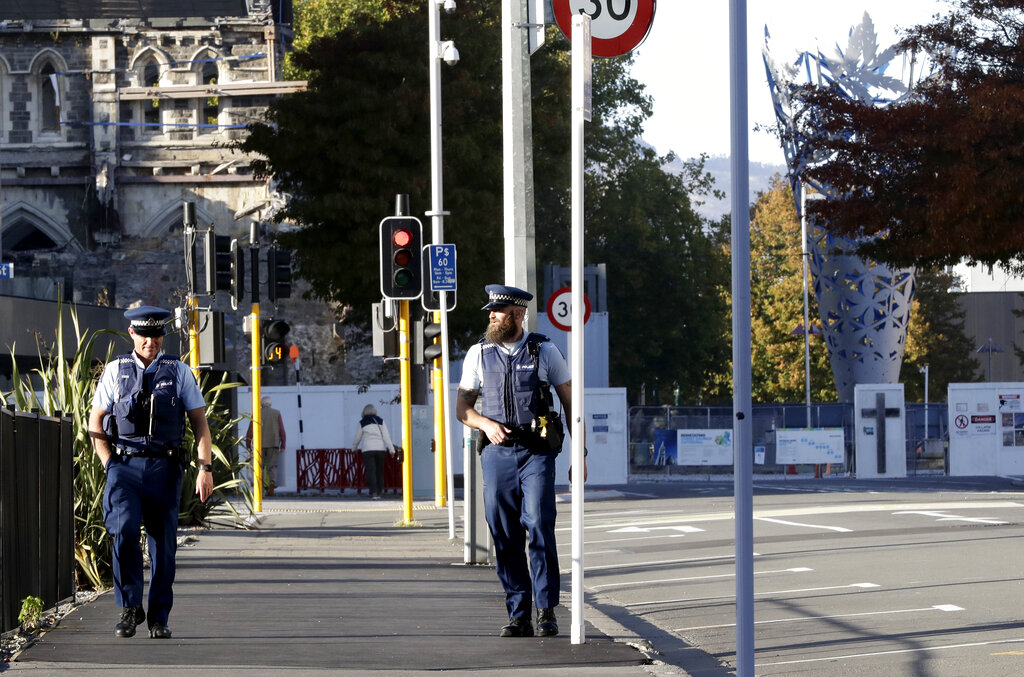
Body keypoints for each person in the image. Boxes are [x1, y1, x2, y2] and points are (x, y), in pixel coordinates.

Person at [455, 284, 580, 639]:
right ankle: (519, 615)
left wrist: (580, 454)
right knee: (504, 533)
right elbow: (462, 408)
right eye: (492, 312)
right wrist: (485, 424)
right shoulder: (478, 353)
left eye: (499, 312)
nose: (492, 317)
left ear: (518, 314)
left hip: (537, 452)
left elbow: (571, 404)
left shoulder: (544, 350)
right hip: (497, 454)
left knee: (539, 524)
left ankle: (546, 611)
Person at [88, 305, 214, 640]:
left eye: (156, 335)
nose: (151, 341)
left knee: (164, 546)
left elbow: (200, 423)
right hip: (124, 468)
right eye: (144, 335)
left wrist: (205, 468)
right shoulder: (115, 371)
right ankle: (130, 609)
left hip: (164, 468)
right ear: (132, 333)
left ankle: (159, 617)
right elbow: (95, 421)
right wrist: (109, 463)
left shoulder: (179, 371)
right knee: (123, 532)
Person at [352, 404, 396, 500]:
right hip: (380, 449)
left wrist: (354, 448)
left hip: (368, 450)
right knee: (379, 471)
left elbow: (357, 437)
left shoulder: (362, 422)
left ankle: (373, 492)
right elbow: (386, 436)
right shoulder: (380, 421)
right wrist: (391, 449)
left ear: (364, 411)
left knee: (371, 471)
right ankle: (380, 491)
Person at [245, 396, 287, 496]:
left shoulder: (256, 413)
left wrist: (248, 444)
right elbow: (282, 430)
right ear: (270, 404)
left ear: (261, 404)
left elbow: (250, 431)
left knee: (260, 467)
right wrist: (283, 445)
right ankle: (272, 483)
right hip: (273, 444)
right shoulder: (276, 413)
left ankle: (261, 489)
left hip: (259, 444)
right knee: (272, 466)